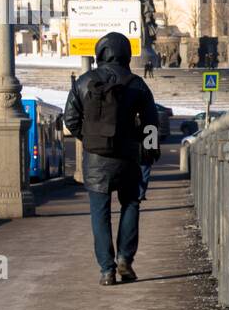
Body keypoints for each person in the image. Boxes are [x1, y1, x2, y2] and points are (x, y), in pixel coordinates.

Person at [64, 31, 160, 286]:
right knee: (131, 204)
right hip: (128, 157)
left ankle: (107, 270)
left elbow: (70, 120)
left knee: (100, 213)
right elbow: (151, 122)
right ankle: (125, 259)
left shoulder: (84, 82)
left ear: (100, 53)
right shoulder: (136, 83)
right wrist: (149, 150)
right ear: (126, 53)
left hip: (96, 159)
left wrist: (91, 138)